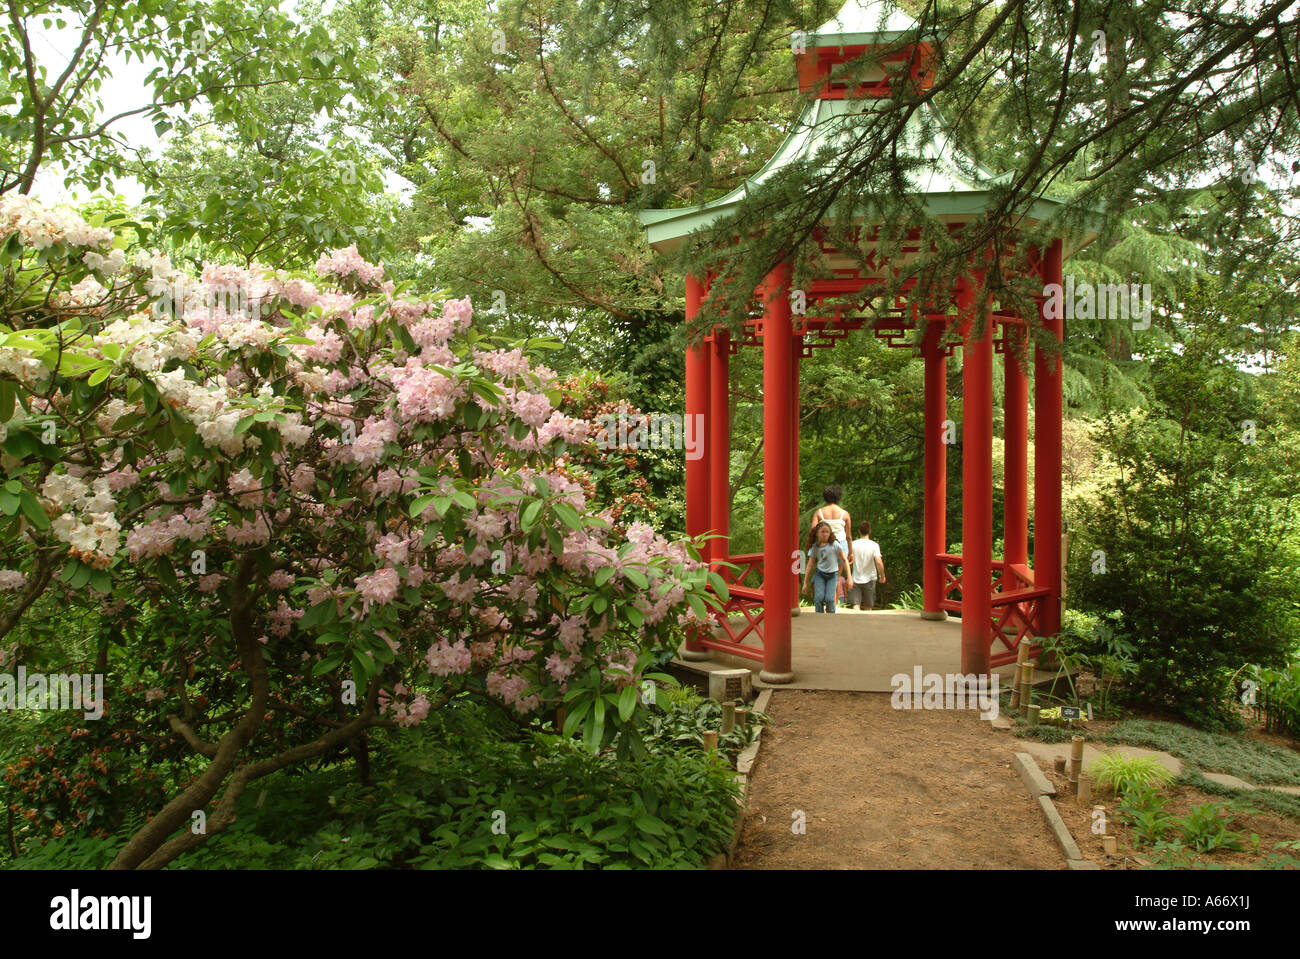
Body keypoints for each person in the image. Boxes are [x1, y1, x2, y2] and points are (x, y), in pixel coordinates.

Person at [812, 485, 851, 604]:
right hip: (841, 546)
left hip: (824, 546)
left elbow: (813, 530)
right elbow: (848, 536)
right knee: (837, 576)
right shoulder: (845, 514)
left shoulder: (819, 513)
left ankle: (824, 601)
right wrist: (851, 552)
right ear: (839, 497)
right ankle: (833, 606)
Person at [803, 521, 850, 614]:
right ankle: (819, 616)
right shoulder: (815, 547)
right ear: (817, 533)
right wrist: (805, 583)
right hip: (820, 574)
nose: (825, 534)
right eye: (822, 532)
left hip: (833, 575)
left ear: (830, 533)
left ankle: (830, 615)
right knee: (818, 598)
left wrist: (849, 577)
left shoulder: (835, 544)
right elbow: (810, 565)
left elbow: (844, 560)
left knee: (829, 599)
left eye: (827, 532)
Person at [849, 521, 887, 610]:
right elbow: (879, 562)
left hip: (855, 578)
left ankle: (855, 622)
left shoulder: (853, 544)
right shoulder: (874, 545)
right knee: (868, 606)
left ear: (859, 531)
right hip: (870, 578)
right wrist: (882, 576)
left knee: (855, 605)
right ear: (870, 531)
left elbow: (847, 561)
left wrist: (848, 576)